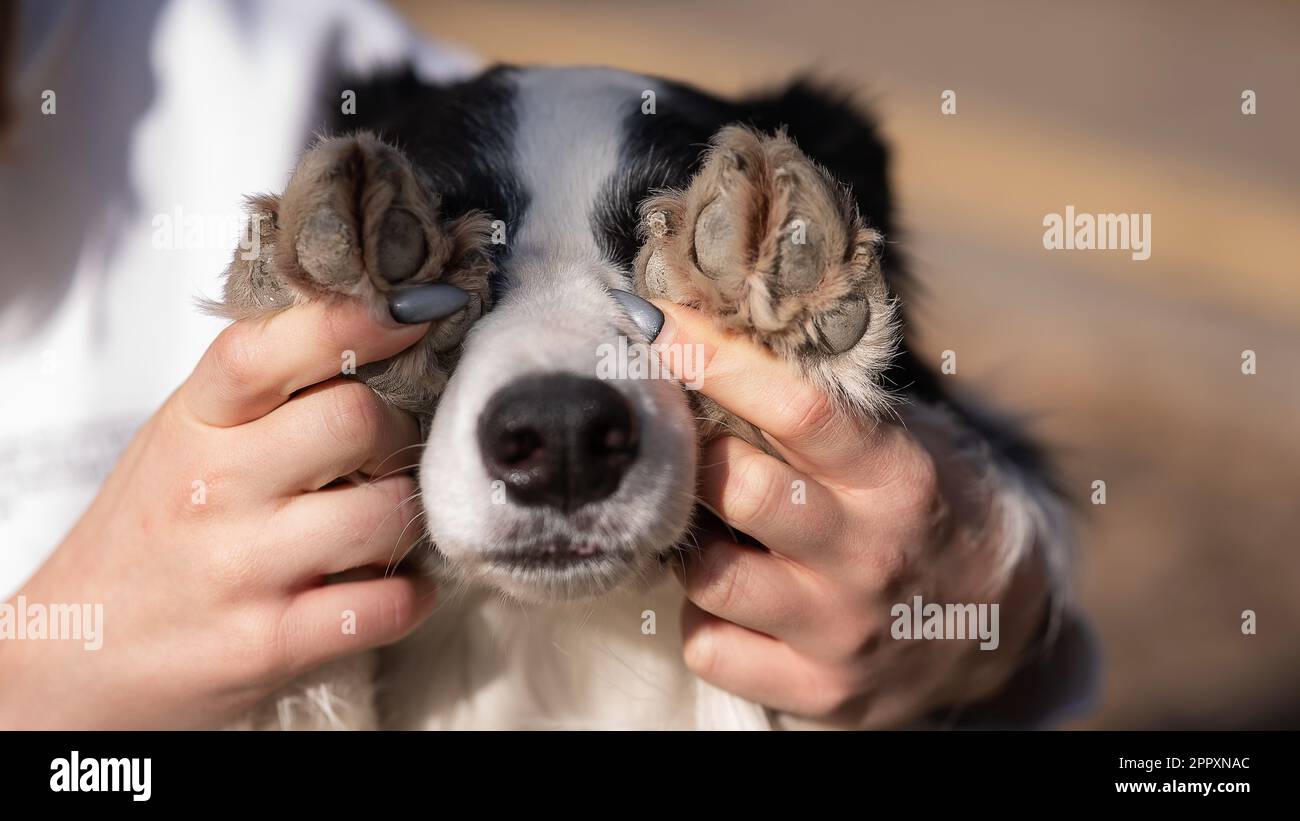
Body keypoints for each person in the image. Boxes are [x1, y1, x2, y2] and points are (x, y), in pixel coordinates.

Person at [0, 0, 1094, 729]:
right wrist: (47, 682)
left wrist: (984, 600)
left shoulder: (289, 68)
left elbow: (969, 551)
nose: (563, 426)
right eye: (453, 269)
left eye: (673, 267)